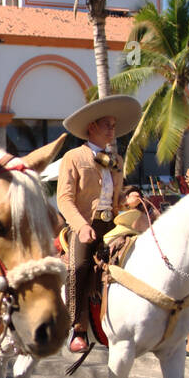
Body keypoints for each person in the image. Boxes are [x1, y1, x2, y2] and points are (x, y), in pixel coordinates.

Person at [56, 94, 143, 353]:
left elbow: (116, 194)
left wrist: (129, 197)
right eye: (108, 124)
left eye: (114, 125)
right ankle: (77, 328)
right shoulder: (73, 157)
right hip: (83, 225)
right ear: (92, 126)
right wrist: (81, 226)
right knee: (80, 266)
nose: (112, 130)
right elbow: (64, 198)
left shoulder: (115, 161)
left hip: (112, 223)